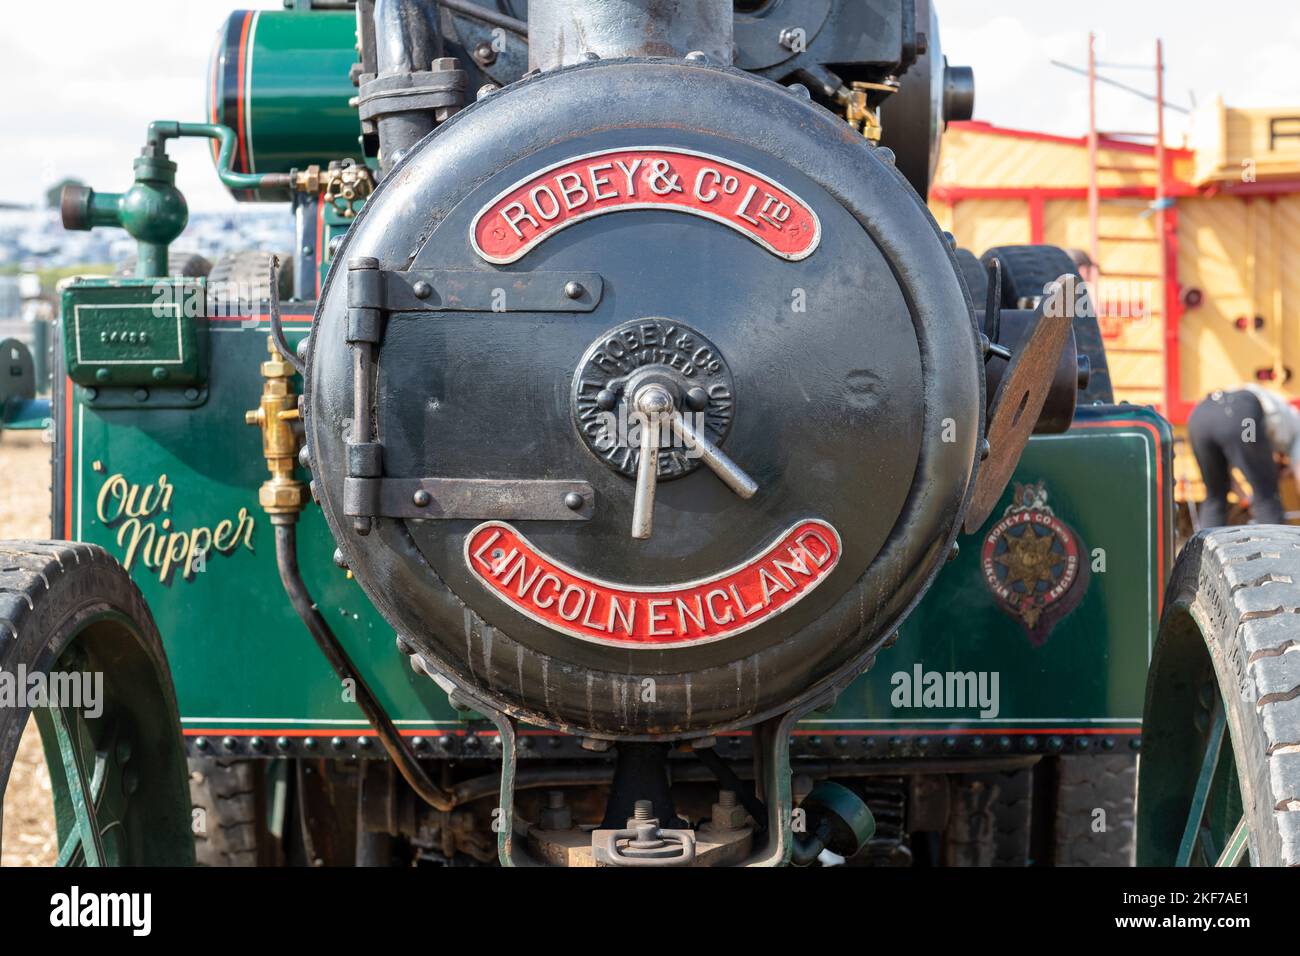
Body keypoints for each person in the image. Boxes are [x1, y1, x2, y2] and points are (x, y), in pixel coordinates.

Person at [1187, 385, 1300, 527]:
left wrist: (1245, 499)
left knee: (1215, 496)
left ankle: (1202, 547)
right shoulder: (1297, 427)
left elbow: (1224, 474)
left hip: (1200, 418)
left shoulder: (1277, 416)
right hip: (1245, 419)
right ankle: (1272, 549)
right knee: (1266, 494)